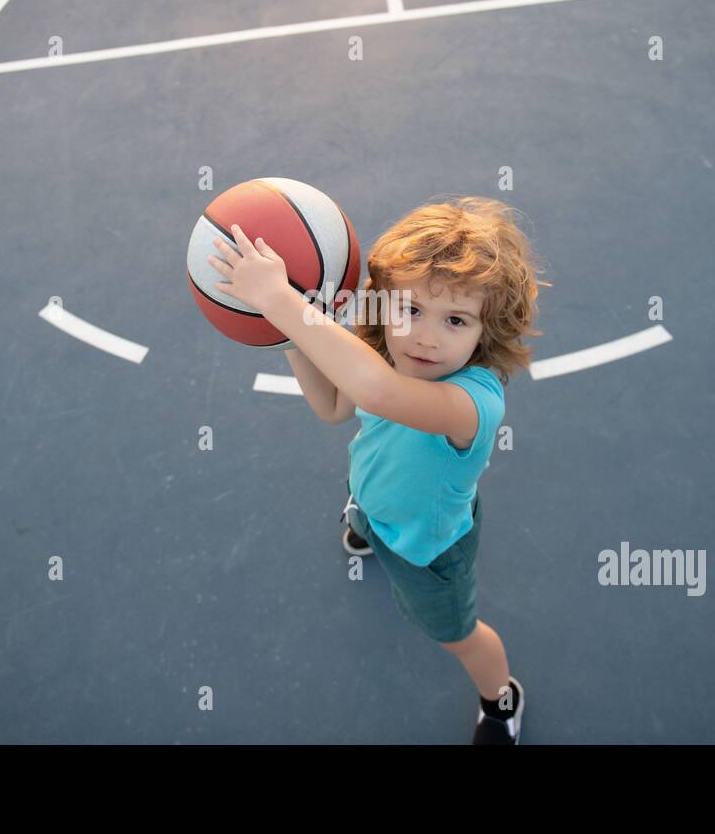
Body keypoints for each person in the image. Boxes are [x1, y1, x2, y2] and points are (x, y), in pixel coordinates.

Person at [207, 195, 549, 744]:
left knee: (459, 636)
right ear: (383, 303)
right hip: (371, 498)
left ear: (487, 332)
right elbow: (335, 407)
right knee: (365, 508)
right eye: (408, 310)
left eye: (455, 320)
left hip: (427, 547)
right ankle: (363, 529)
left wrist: (276, 297)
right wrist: (289, 333)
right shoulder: (387, 355)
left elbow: (376, 391)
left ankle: (500, 699)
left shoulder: (473, 403)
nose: (424, 337)